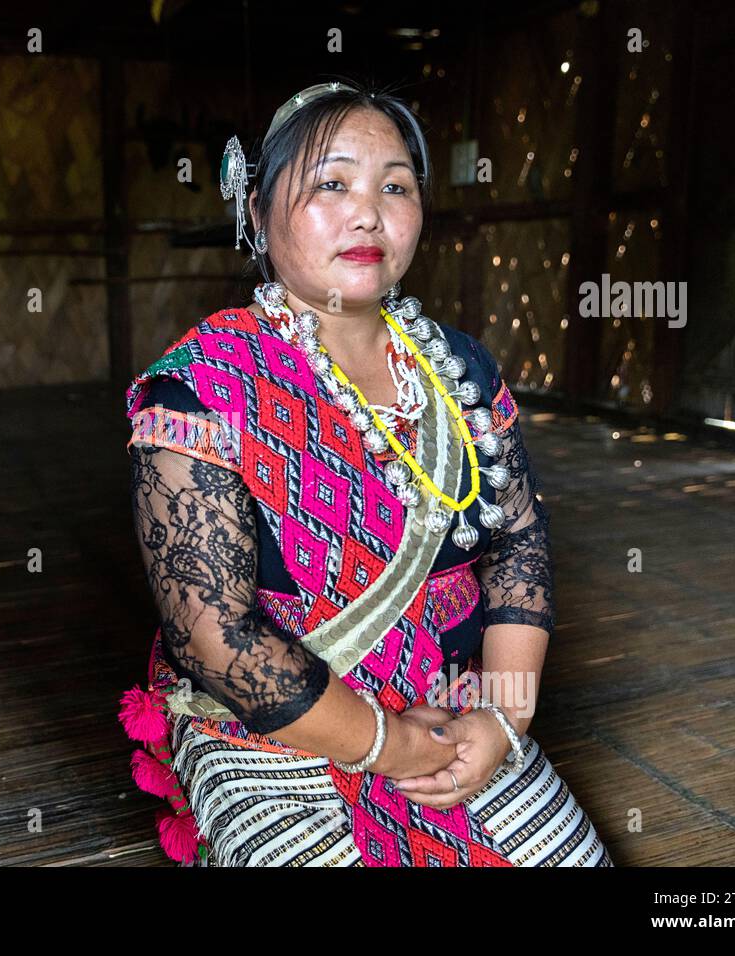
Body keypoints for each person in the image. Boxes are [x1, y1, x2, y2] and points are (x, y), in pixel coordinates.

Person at [117, 79, 612, 867]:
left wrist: (502, 722)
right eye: (332, 183)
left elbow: (518, 541)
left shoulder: (459, 369)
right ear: (256, 212)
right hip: (275, 729)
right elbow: (215, 639)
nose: (368, 212)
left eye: (396, 186)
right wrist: (386, 745)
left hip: (456, 710)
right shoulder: (206, 388)